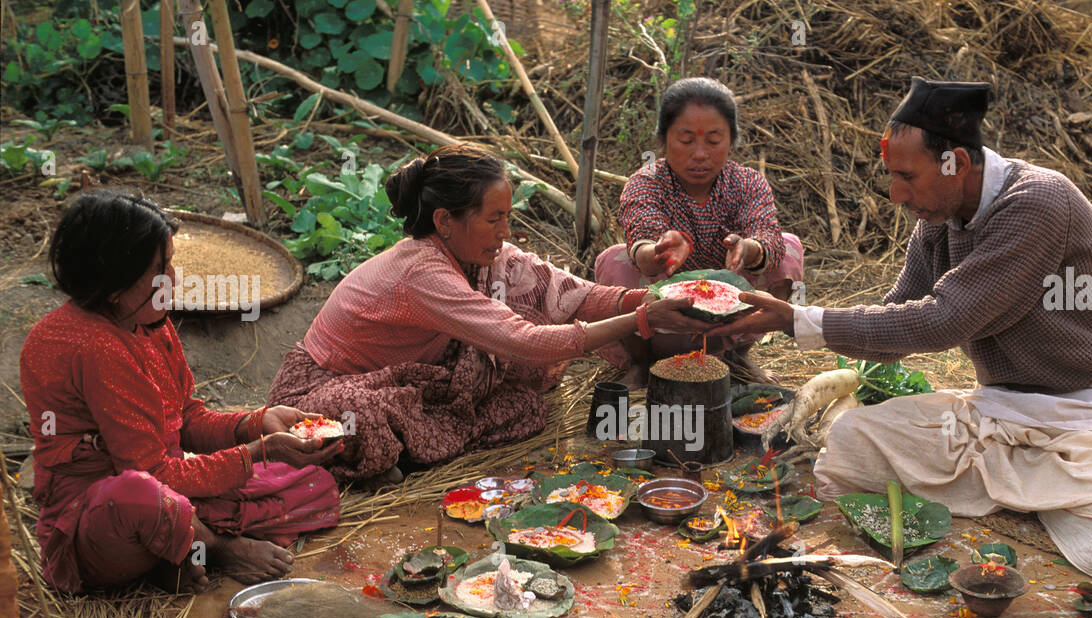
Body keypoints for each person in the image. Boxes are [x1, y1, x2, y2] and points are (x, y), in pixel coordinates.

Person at [712, 76, 1092, 577]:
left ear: (956, 163)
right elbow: (900, 314)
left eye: (907, 176)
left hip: (1090, 404)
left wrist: (801, 321)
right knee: (853, 438)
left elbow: (942, 321)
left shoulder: (1038, 203)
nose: (896, 194)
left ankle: (1042, 480)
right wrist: (800, 325)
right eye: (891, 176)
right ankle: (1034, 487)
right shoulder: (936, 222)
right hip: (1000, 407)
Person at [268, 143, 701, 483]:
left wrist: (640, 300)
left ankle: (411, 444)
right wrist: (642, 322)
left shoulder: (479, 255)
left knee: (526, 405)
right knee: (353, 415)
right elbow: (524, 342)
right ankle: (393, 451)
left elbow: (572, 294)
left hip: (405, 376)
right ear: (445, 221)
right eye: (494, 219)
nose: (505, 232)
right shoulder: (422, 272)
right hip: (323, 387)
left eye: (507, 218)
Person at [20, 191, 342, 594]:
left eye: (170, 262)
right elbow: (152, 475)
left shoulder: (147, 319)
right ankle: (217, 547)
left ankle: (177, 552)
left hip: (166, 489)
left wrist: (255, 423)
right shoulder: (94, 348)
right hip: (103, 519)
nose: (173, 277)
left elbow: (188, 419)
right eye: (160, 268)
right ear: (115, 285)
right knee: (141, 497)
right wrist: (259, 451)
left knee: (312, 480)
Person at [594, 77, 805, 386]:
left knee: (788, 247)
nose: (700, 154)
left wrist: (750, 249)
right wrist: (657, 252)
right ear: (664, 139)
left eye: (714, 140)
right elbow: (642, 233)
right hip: (664, 325)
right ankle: (641, 364)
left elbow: (766, 233)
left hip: (733, 318)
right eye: (686, 139)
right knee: (613, 261)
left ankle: (738, 356)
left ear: (731, 139)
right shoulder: (646, 183)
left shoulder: (747, 183)